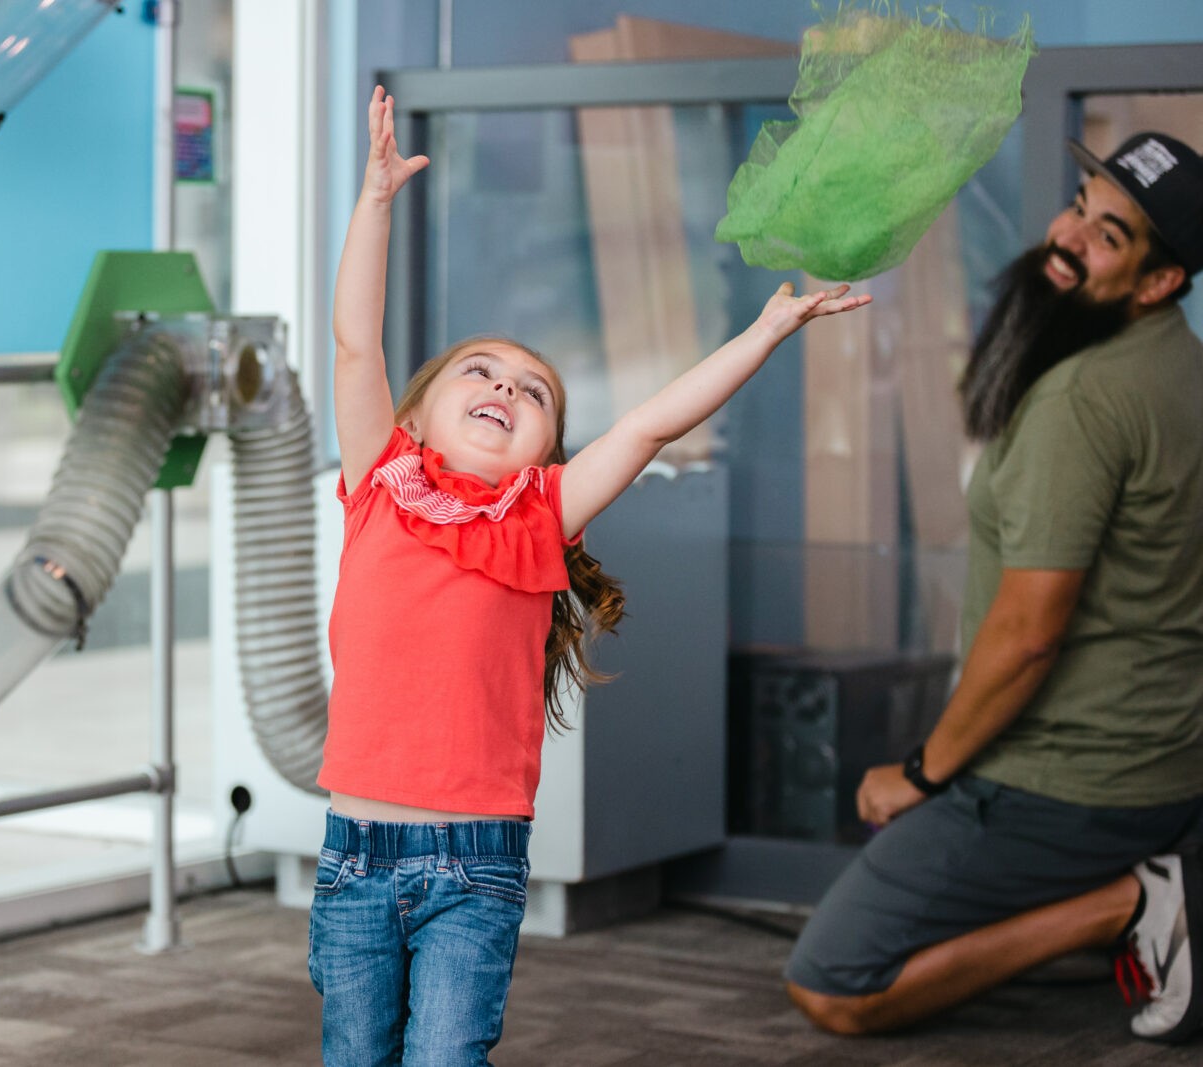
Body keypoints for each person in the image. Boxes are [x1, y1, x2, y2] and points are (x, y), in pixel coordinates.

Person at [309, 85, 869, 1066]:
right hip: (356, 849)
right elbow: (355, 341)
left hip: (476, 861)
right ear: (421, 409)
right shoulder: (378, 485)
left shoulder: (539, 514)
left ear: (541, 450)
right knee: (356, 1054)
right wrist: (375, 200)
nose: (503, 388)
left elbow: (650, 422)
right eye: (479, 371)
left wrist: (765, 332)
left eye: (530, 391)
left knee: (445, 1055)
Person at [786, 131, 1203, 1045]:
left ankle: (1131, 903)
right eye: (1081, 206)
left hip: (1067, 778)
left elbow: (1027, 635)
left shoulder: (1085, 400)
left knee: (835, 983)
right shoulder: (1182, 368)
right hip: (1166, 758)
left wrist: (926, 773)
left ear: (1158, 282)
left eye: (1109, 236)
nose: (1068, 235)